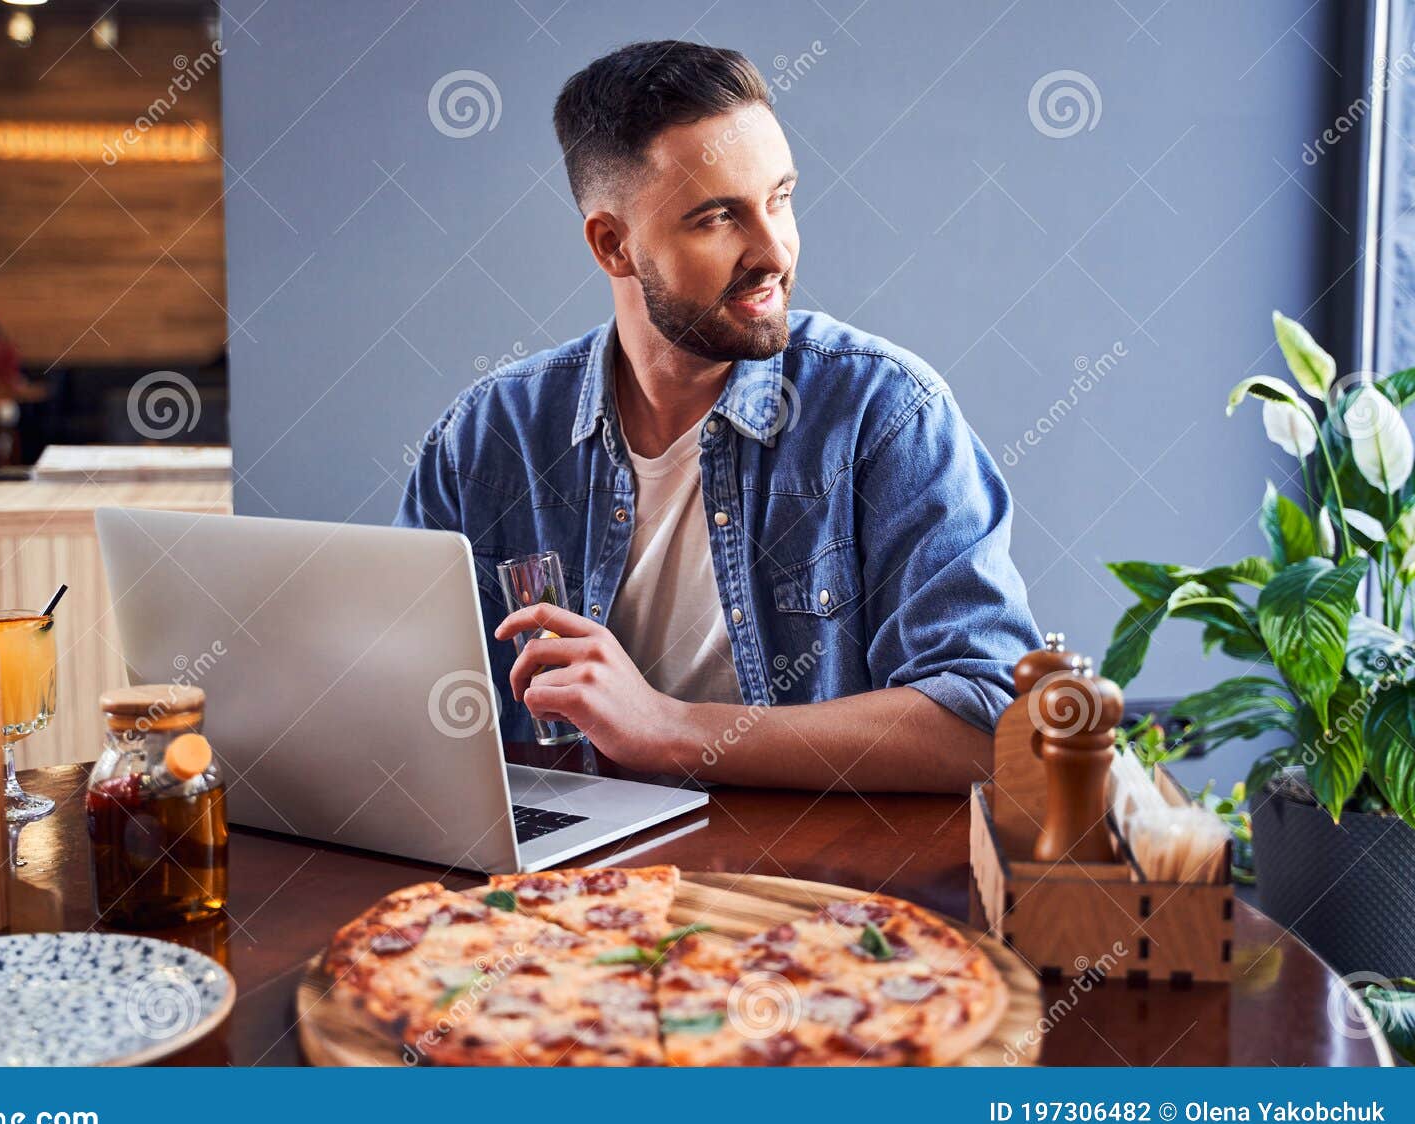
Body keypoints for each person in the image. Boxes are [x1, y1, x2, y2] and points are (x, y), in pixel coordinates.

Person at [395, 41, 1040, 792]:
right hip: (564, 890)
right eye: (717, 218)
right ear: (614, 245)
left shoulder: (885, 413)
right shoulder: (485, 439)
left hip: (811, 890)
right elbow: (408, 713)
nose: (774, 249)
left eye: (780, 198)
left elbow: (989, 723)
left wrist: (672, 730)